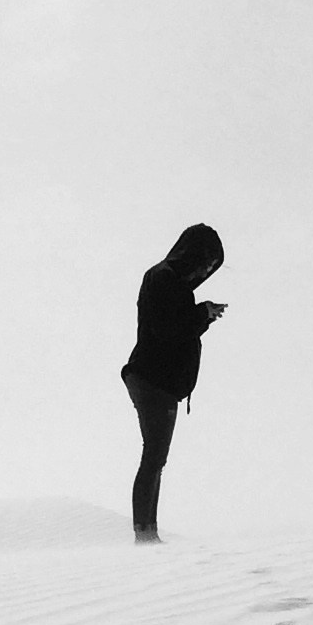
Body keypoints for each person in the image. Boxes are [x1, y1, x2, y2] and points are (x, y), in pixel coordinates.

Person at [121, 223, 225, 542]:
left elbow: (175, 331)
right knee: (154, 456)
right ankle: (144, 533)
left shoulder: (171, 281)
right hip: (153, 378)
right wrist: (202, 314)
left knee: (156, 456)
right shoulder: (164, 277)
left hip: (156, 379)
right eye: (205, 262)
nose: (205, 270)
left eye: (211, 266)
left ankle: (146, 531)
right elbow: (168, 330)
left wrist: (201, 316)